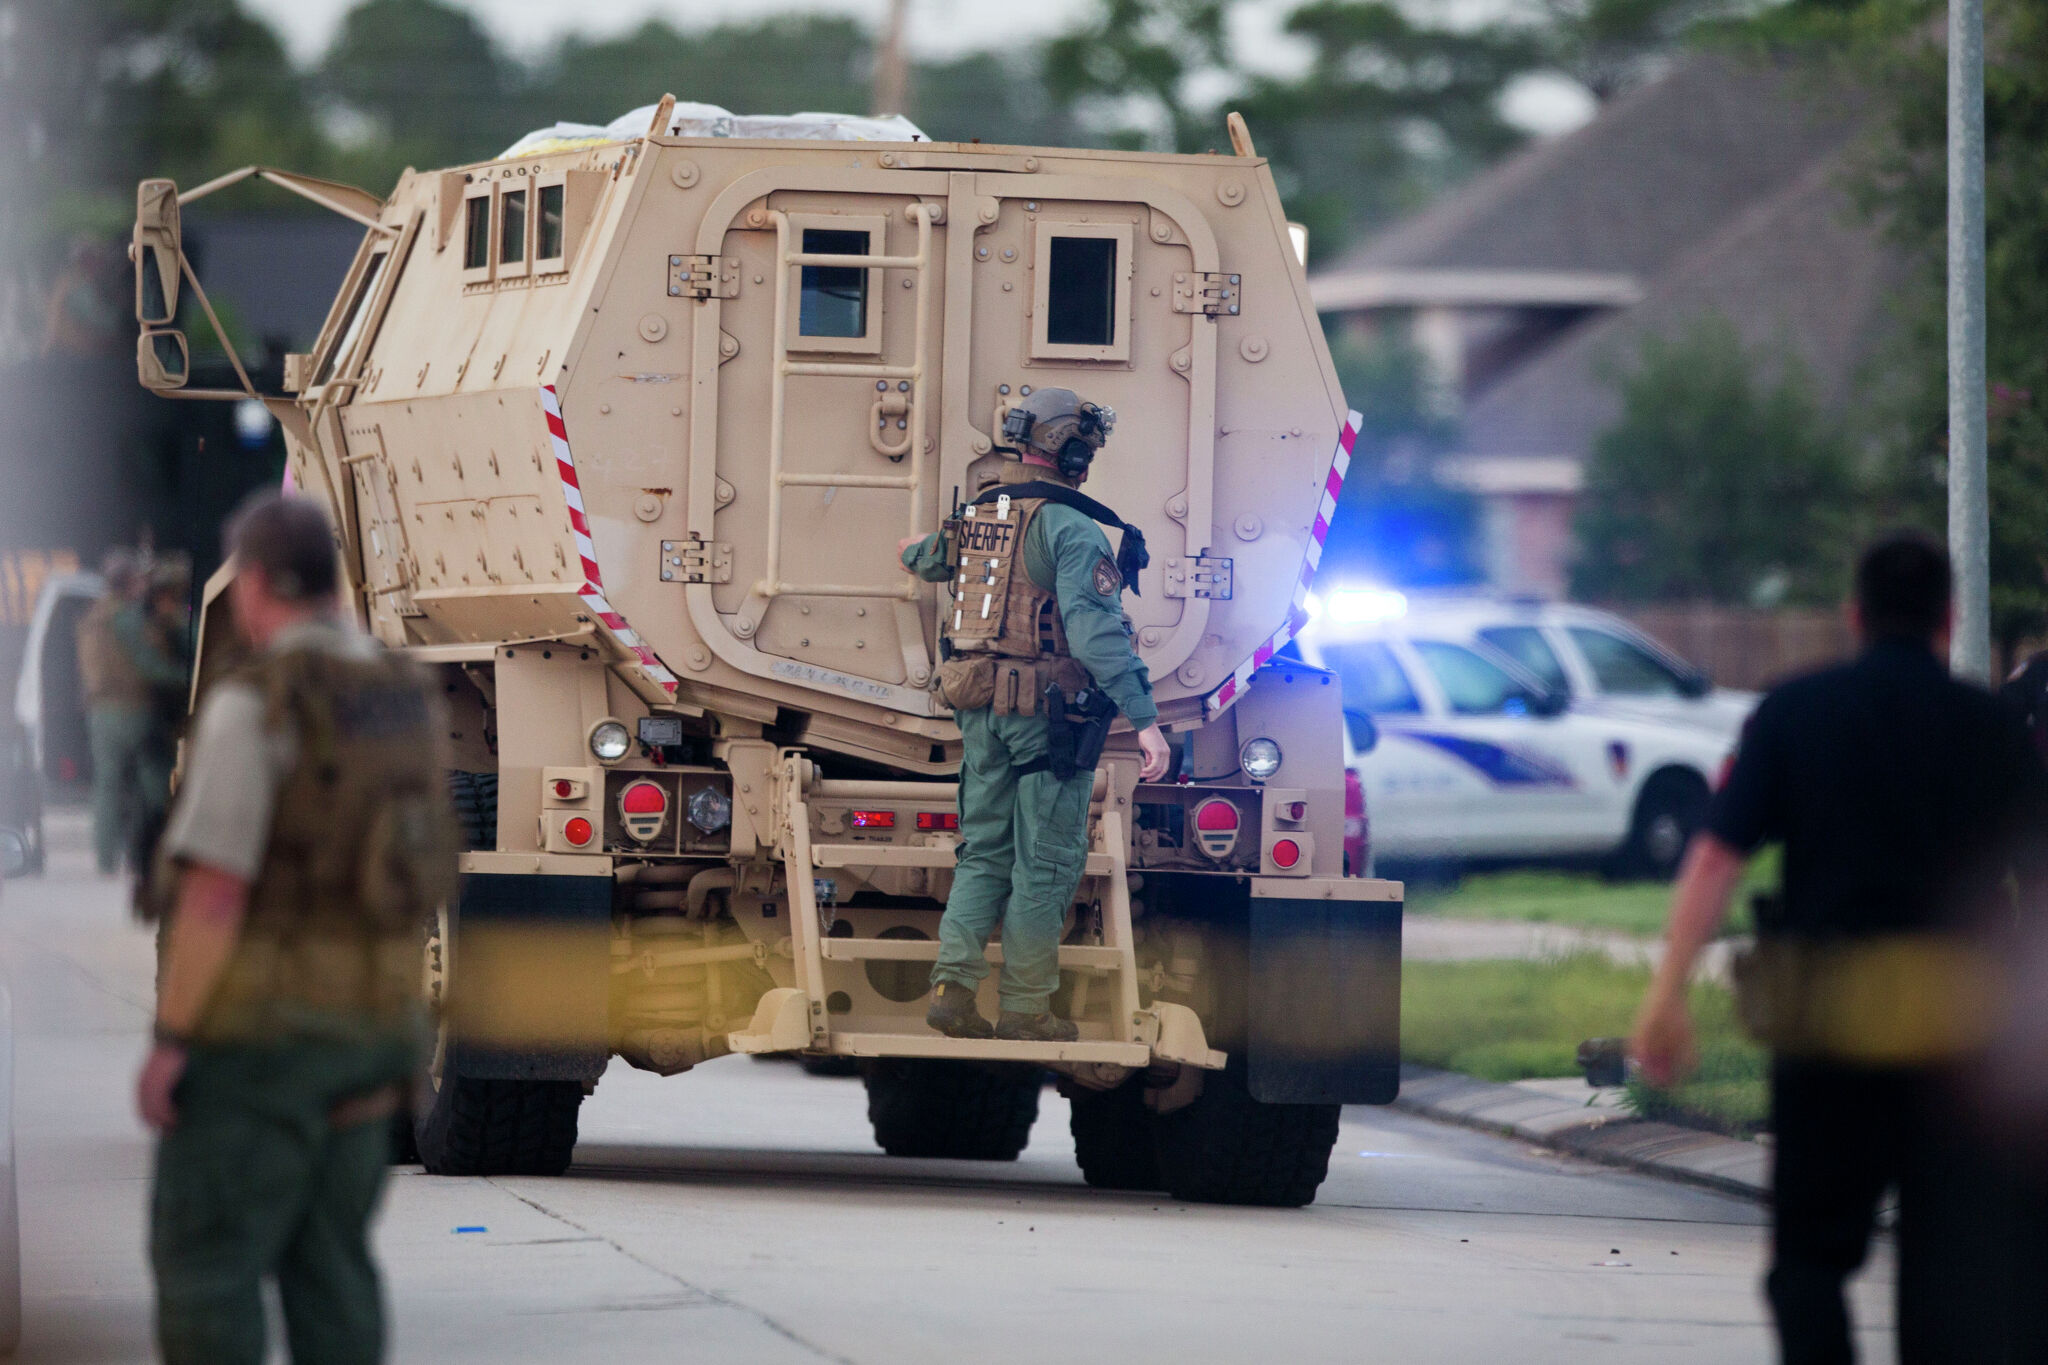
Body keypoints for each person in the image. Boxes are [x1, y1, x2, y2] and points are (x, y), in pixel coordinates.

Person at [1630, 531, 2048, 1364]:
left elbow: (1715, 854)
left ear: (1855, 615)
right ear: (1948, 618)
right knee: (1955, 1269)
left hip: (1827, 1009)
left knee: (1812, 1261)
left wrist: (1666, 993)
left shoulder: (1796, 711)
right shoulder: (1991, 727)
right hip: (1957, 1027)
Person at [138, 492, 456, 1365]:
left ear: (259, 586)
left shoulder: (260, 705)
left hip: (262, 1048)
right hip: (370, 1046)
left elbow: (213, 893)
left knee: (206, 1268)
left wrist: (172, 1039)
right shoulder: (406, 700)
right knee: (335, 1275)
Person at [900, 387, 1172, 1042]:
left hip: (978, 712)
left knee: (982, 852)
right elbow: (1097, 634)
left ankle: (952, 988)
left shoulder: (980, 514)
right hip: (1048, 720)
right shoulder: (1073, 529)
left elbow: (928, 557)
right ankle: (1025, 1007)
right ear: (1072, 450)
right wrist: (1144, 718)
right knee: (1045, 862)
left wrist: (914, 547)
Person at [77, 548, 184, 875]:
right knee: (151, 784)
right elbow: (150, 666)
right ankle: (152, 853)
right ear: (127, 583)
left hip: (100, 714)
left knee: (107, 787)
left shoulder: (92, 617)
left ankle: (105, 860)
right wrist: (189, 676)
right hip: (134, 711)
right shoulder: (127, 617)